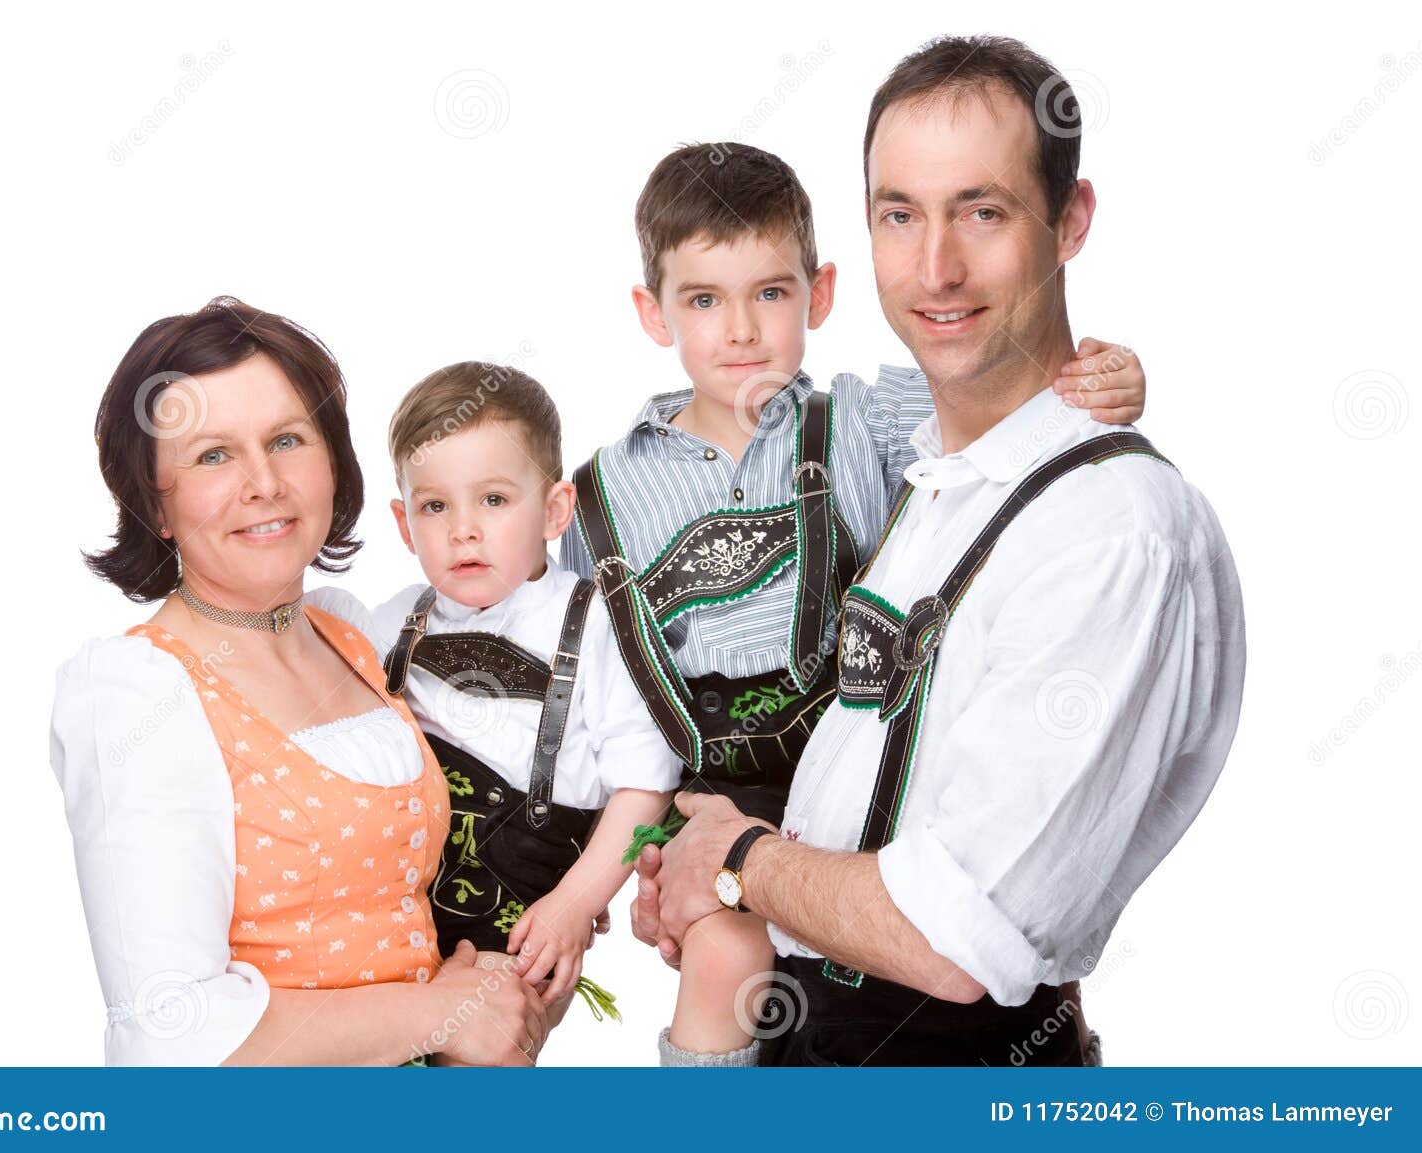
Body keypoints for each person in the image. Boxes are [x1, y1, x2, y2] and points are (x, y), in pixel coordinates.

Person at [633, 36, 1246, 1066]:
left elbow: (958, 933)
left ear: (1070, 221)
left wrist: (733, 856)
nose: (935, 268)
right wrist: (713, 883)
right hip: (807, 1032)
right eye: (898, 215)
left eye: (983, 211)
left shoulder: (1111, 528)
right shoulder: (934, 479)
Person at [562, 140, 1148, 1065]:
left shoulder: (864, 420)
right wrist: (599, 869)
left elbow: (1013, 397)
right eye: (703, 300)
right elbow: (578, 686)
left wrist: (1107, 378)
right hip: (713, 791)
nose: (742, 329)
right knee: (725, 954)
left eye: (771, 292)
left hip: (872, 780)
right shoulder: (599, 494)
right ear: (652, 311)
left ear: (820, 293)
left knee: (915, 978)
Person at [49, 298, 548, 1065]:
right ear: (157, 503)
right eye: (213, 455)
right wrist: (440, 1015)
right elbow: (170, 1036)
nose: (265, 482)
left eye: (287, 439)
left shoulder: (351, 634)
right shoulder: (135, 694)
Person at [360, 361, 680, 1026]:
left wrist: (574, 904)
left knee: (481, 1047)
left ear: (556, 509)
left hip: (521, 930)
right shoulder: (390, 622)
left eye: (494, 500)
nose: (463, 529)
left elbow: (645, 785)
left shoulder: (594, 622)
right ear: (402, 521)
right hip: (391, 922)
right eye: (435, 505)